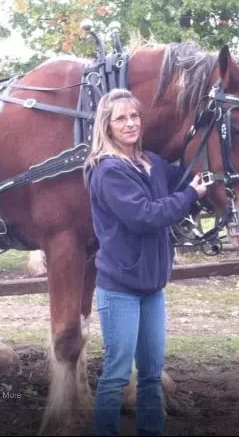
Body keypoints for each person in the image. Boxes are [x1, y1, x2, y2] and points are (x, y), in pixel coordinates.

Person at [83, 88, 208, 436]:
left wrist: (206, 139)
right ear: (107, 126)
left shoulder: (150, 162)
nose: (130, 123)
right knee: (117, 374)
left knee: (151, 374)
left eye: (134, 116)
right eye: (121, 118)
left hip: (152, 287)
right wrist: (188, 196)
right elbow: (144, 216)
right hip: (120, 289)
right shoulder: (108, 171)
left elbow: (181, 177)